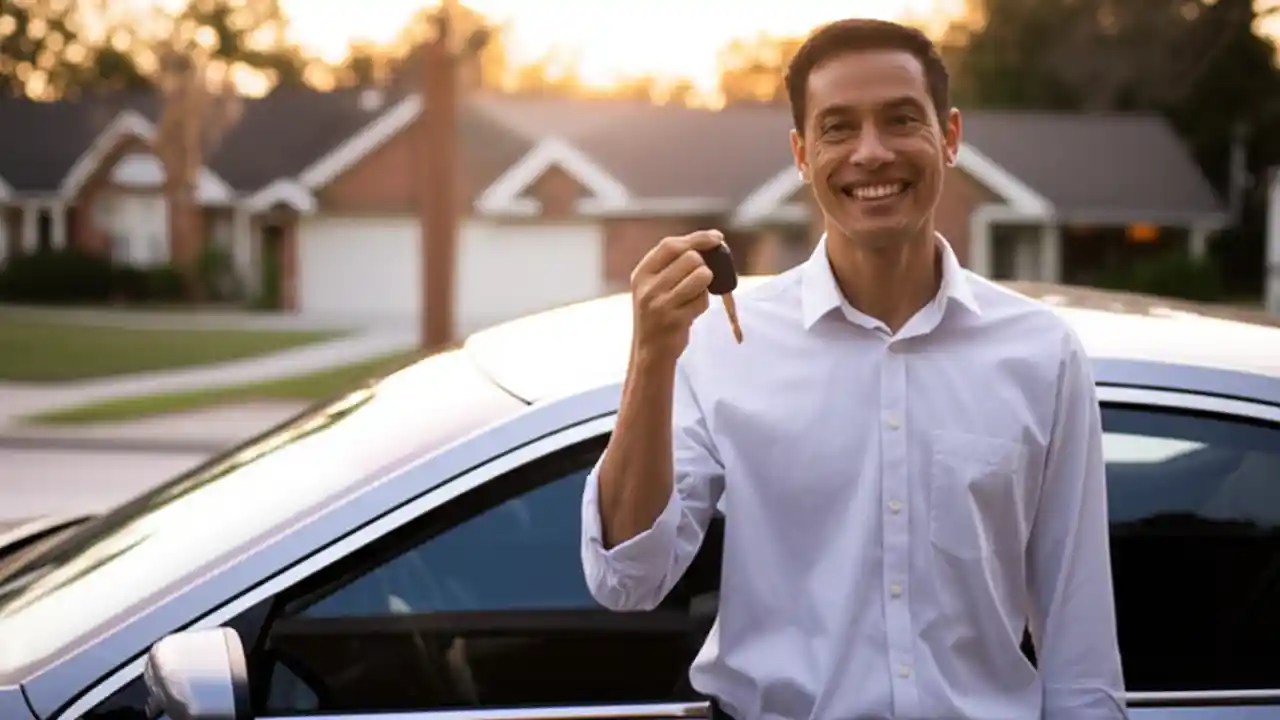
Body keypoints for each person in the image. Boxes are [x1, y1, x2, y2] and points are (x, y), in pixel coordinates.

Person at [579, 17, 1127, 720]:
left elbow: (1079, 643)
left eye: (901, 120)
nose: (872, 153)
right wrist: (651, 358)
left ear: (949, 137)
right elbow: (628, 579)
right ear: (803, 154)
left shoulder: (1041, 354)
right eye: (838, 129)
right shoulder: (720, 345)